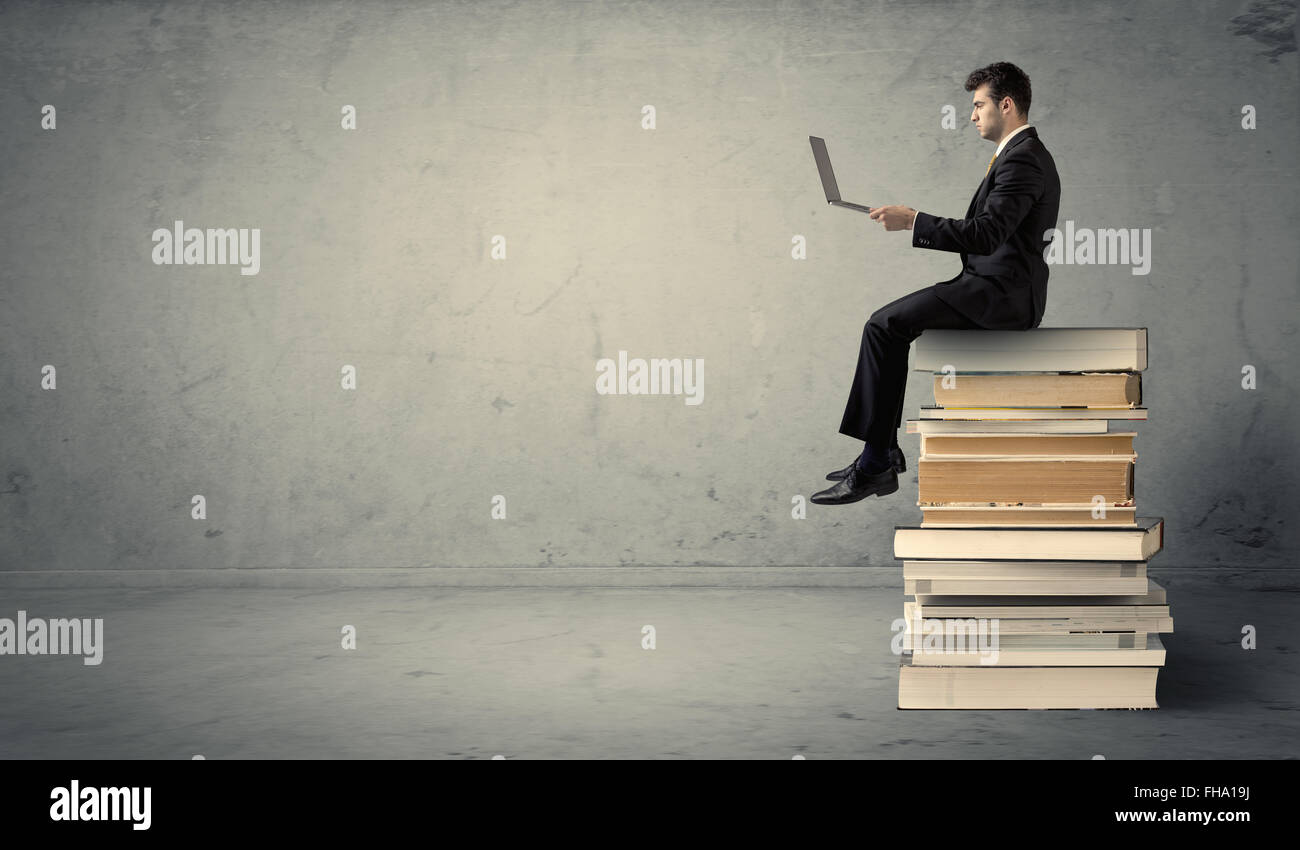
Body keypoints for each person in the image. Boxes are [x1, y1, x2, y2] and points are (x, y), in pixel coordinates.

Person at [811, 61, 1061, 506]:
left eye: (978, 104)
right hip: (987, 287)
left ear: (1006, 104)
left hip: (1001, 297)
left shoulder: (1023, 159)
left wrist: (915, 222)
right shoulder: (1018, 155)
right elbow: (989, 231)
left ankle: (876, 462)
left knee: (883, 326)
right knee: (887, 326)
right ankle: (880, 453)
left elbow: (987, 234)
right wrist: (914, 221)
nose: (971, 115)